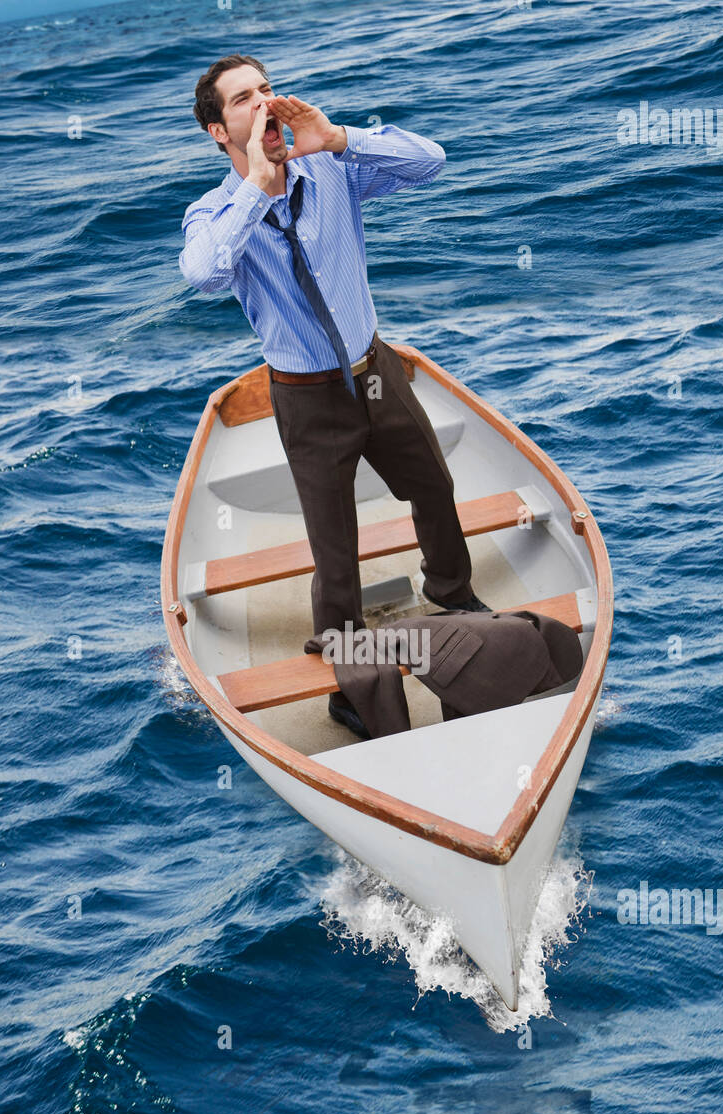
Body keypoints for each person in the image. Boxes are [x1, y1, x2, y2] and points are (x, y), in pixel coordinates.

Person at [178, 54, 489, 739]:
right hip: (304, 397)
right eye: (243, 100)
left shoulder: (329, 169)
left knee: (433, 484)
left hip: (374, 369)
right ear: (216, 130)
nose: (264, 105)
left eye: (267, 89)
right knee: (335, 546)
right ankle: (349, 677)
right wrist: (256, 190)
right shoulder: (214, 213)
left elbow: (431, 161)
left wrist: (340, 138)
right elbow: (204, 274)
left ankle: (453, 594)